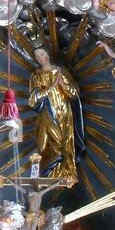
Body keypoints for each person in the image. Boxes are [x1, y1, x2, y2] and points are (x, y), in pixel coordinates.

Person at [27, 47, 83, 186]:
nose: (40, 57)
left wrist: (63, 85)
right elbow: (32, 99)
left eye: (42, 53)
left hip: (63, 113)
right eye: (37, 56)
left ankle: (62, 178)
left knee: (62, 145)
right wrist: (49, 88)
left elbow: (74, 93)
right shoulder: (36, 75)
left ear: (48, 53)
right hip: (46, 115)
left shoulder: (60, 71)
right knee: (44, 145)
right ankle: (47, 179)